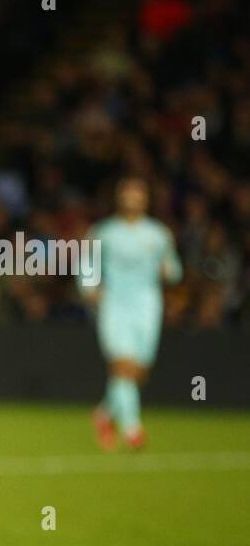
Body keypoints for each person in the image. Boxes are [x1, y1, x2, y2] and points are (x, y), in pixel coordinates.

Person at [85, 176, 183, 451]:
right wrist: (91, 288)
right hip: (115, 304)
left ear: (145, 199)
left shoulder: (158, 234)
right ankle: (132, 429)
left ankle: (104, 415)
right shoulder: (103, 232)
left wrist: (169, 271)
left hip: (147, 306)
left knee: (138, 372)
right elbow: (87, 266)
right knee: (122, 366)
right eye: (127, 192)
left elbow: (174, 270)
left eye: (137, 193)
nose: (132, 198)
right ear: (119, 197)